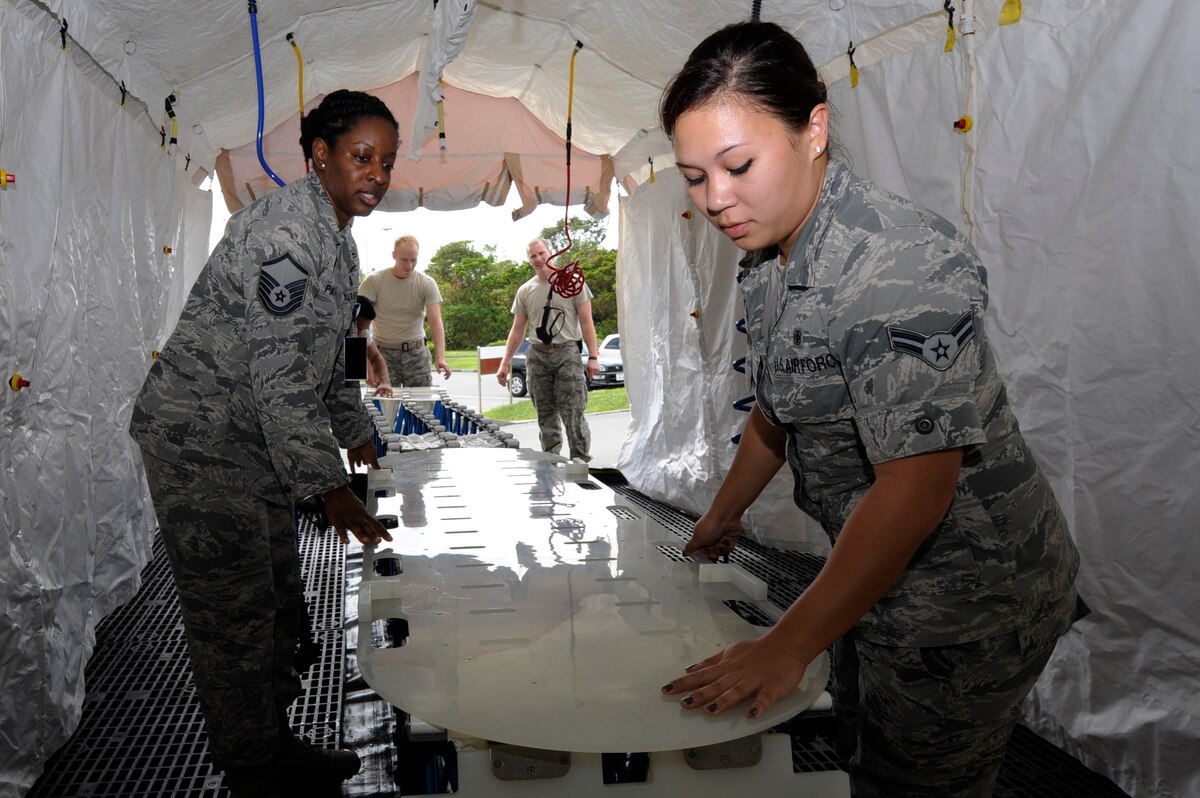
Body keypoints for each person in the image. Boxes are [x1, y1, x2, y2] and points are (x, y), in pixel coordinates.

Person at [656, 21, 1081, 798]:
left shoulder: (895, 268)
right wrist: (721, 517)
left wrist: (788, 643)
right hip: (875, 571)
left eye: (738, 165)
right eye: (692, 177)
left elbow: (918, 487)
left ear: (814, 129)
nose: (716, 200)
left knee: (916, 785)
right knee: (864, 747)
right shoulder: (769, 258)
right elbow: (775, 414)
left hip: (968, 593)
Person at [128, 89, 397, 798]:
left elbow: (341, 346)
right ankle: (253, 769)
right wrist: (332, 489)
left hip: (253, 440)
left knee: (277, 590)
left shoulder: (337, 235)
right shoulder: (287, 234)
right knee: (235, 612)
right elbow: (279, 379)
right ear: (320, 155)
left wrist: (353, 430)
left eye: (387, 162)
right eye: (361, 157)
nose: (377, 174)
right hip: (203, 441)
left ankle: (272, 738)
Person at [497, 237, 601, 460]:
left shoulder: (572, 283)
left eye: (542, 253)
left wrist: (593, 356)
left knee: (573, 414)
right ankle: (550, 466)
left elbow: (586, 321)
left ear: (551, 252)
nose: (538, 259)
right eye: (533, 255)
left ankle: (580, 466)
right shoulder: (525, 290)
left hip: (567, 352)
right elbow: (517, 330)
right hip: (537, 355)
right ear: (528, 259)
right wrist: (505, 363)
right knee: (545, 416)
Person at [358, 234, 451, 387]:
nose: (409, 266)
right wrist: (367, 363)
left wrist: (440, 357)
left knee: (421, 408)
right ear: (394, 255)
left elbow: (436, 323)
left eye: (414, 260)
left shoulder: (427, 283)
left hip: (416, 354)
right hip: (382, 354)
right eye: (404, 260)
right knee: (384, 407)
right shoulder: (374, 280)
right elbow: (359, 325)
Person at [353, 294, 394, 397]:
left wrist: (385, 382)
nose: (360, 333)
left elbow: (376, 357)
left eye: (365, 328)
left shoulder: (362, 333)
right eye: (358, 328)